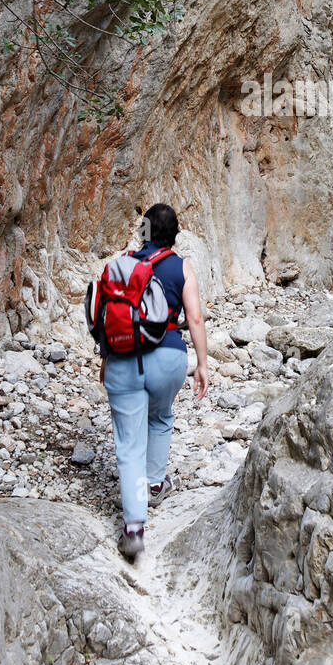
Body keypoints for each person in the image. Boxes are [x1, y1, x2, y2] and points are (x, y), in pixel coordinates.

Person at [100, 203, 209, 558]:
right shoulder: (182, 266)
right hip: (169, 359)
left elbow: (106, 315)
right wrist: (203, 364)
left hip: (123, 357)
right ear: (175, 235)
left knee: (129, 443)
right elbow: (194, 318)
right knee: (160, 417)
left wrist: (106, 358)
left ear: (143, 232)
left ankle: (134, 529)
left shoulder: (122, 263)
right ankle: (155, 484)